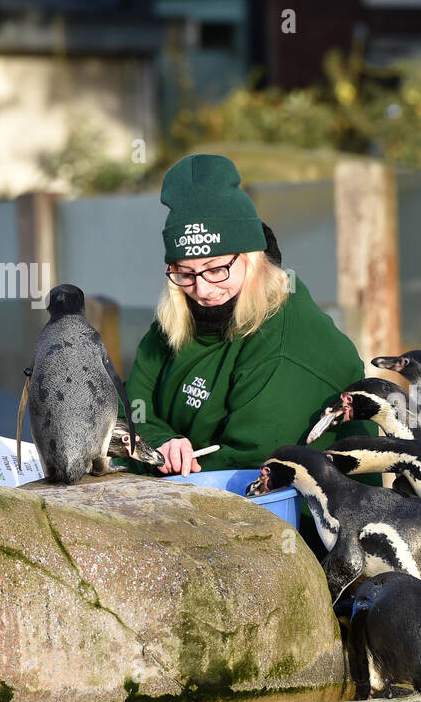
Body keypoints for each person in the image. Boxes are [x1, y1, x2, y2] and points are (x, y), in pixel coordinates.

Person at [123, 153, 373, 476]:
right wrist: (162, 443)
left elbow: (249, 464)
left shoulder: (284, 343)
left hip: (305, 518)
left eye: (216, 269)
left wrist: (148, 459)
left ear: (251, 257)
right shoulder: (179, 314)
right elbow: (131, 406)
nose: (202, 290)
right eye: (185, 273)